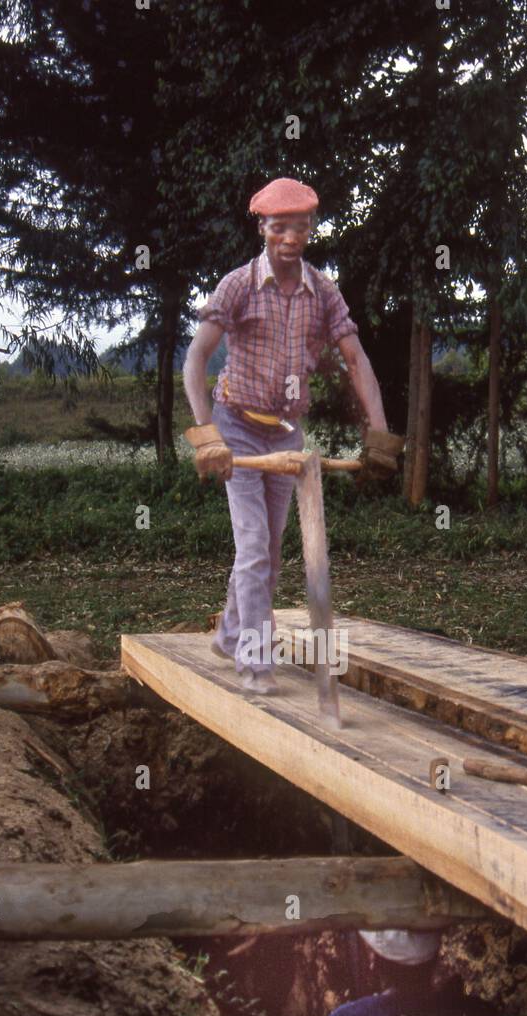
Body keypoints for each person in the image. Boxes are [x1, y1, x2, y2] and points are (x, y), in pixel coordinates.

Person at [183, 176, 403, 696]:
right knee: (255, 546)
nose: (290, 237)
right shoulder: (237, 286)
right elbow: (196, 359)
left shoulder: (323, 293)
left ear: (310, 230)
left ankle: (231, 633)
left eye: (300, 228)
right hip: (235, 426)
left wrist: (378, 433)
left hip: (285, 434)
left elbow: (356, 359)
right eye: (279, 227)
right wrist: (206, 433)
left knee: (270, 554)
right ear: (262, 227)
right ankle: (256, 663)